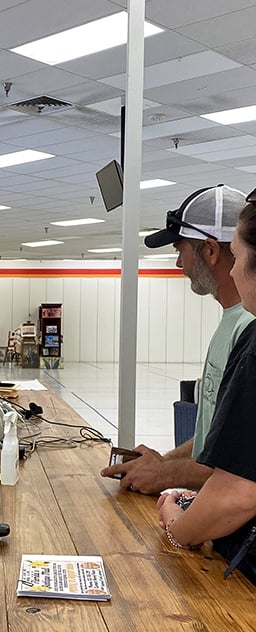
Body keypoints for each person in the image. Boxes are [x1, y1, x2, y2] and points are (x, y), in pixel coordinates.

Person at [101, 185, 252, 494]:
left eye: (180, 250)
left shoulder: (248, 327)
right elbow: (215, 435)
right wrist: (162, 462)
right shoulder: (231, 320)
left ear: (210, 251)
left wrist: (166, 475)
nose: (179, 264)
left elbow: (240, 469)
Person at [157, 189, 256, 584]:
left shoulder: (250, 333)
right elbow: (225, 438)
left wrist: (176, 527)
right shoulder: (238, 324)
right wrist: (165, 464)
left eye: (240, 257)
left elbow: (238, 488)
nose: (233, 271)